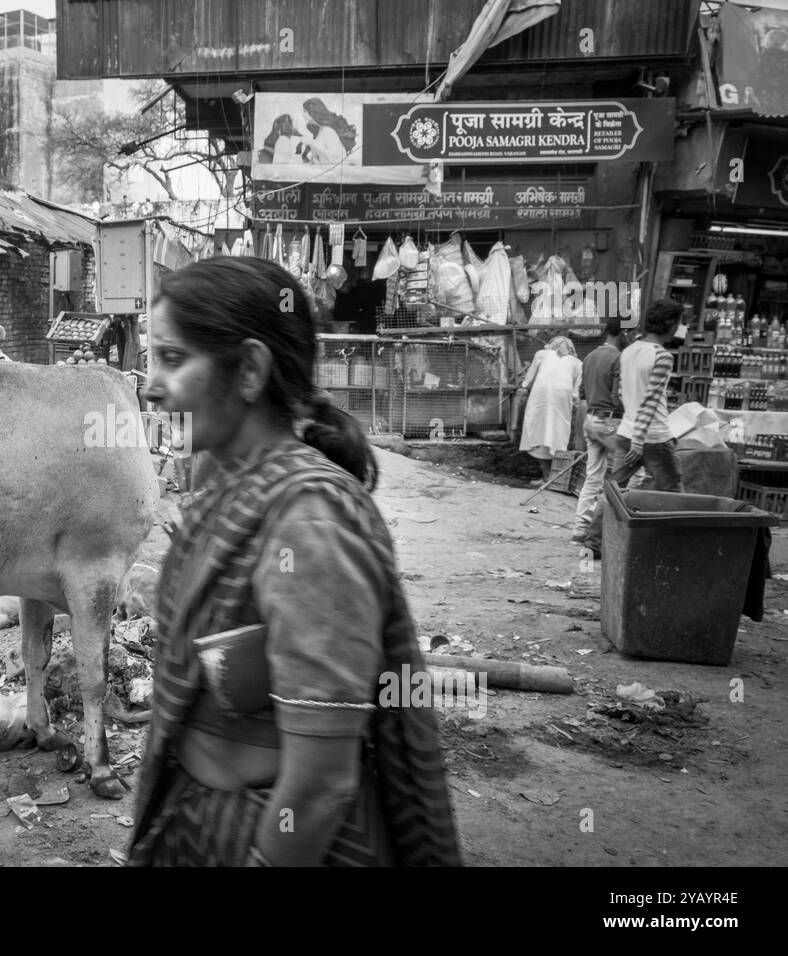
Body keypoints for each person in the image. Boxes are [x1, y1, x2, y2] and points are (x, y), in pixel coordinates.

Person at [127, 256, 460, 867]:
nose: (150, 384)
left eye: (173, 359)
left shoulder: (308, 520)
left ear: (250, 370)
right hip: (199, 825)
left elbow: (319, 784)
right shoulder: (226, 487)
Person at [581, 300, 686, 557]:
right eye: (679, 322)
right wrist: (640, 441)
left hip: (626, 432)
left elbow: (619, 394)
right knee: (673, 491)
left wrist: (633, 435)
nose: (680, 328)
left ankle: (593, 543)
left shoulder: (628, 351)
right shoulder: (662, 356)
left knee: (614, 489)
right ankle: (673, 547)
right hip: (652, 437)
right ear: (670, 325)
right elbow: (650, 403)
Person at [572, 318, 626, 543]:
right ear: (623, 333)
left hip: (591, 419)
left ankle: (580, 530)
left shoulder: (590, 356)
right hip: (610, 421)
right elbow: (617, 396)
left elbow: (582, 392)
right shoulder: (617, 358)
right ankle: (610, 531)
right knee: (631, 473)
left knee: (593, 476)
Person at [519, 335, 583, 483]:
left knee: (538, 433)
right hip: (562, 399)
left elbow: (527, 381)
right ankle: (554, 480)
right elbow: (576, 394)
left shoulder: (541, 354)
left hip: (539, 398)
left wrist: (525, 387)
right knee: (558, 433)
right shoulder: (577, 363)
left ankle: (546, 476)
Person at [299, 97, 357, 165]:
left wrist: (312, 143)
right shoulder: (320, 131)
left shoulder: (328, 131)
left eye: (305, 111)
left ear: (314, 112)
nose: (303, 115)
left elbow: (337, 159)